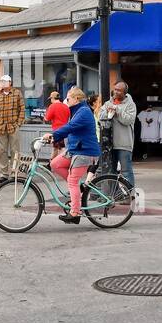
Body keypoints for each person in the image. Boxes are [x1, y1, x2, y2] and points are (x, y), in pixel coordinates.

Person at [48, 86, 100, 225]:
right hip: (75, 149)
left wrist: (54, 135)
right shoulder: (76, 110)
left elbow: (70, 127)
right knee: (55, 164)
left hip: (85, 151)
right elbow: (69, 128)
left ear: (76, 99)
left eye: (68, 98)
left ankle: (75, 212)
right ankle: (78, 190)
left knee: (72, 181)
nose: (66, 100)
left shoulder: (83, 112)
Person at [100, 82, 137, 189]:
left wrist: (117, 110)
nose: (116, 92)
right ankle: (113, 195)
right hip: (109, 144)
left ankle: (129, 195)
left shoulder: (130, 105)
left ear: (125, 92)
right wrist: (107, 112)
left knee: (126, 171)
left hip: (123, 143)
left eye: (119, 90)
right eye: (115, 89)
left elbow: (128, 120)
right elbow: (100, 117)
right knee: (111, 171)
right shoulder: (108, 103)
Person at [0, 74, 25, 183]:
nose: (3, 83)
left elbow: (22, 109)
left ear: (10, 83)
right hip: (1, 127)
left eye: (5, 81)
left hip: (13, 126)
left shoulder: (17, 93)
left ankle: (15, 173)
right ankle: (3, 174)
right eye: (2, 81)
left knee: (15, 151)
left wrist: (18, 123)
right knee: (2, 151)